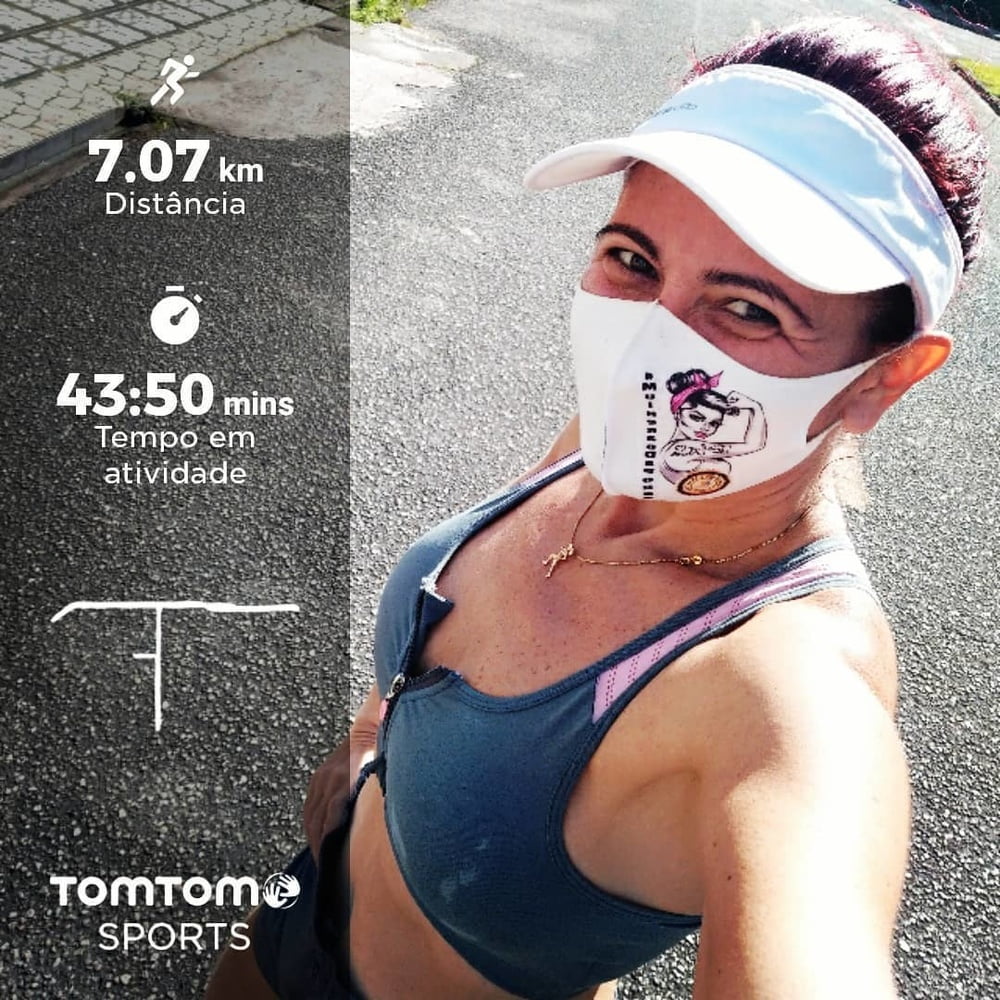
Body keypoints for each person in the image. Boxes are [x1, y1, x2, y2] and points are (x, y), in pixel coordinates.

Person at [204, 14, 987, 1000]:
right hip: (301, 910)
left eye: (749, 309)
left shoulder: (787, 696)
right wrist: (367, 740)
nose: (650, 343)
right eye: (632, 257)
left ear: (884, 377)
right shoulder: (619, 439)